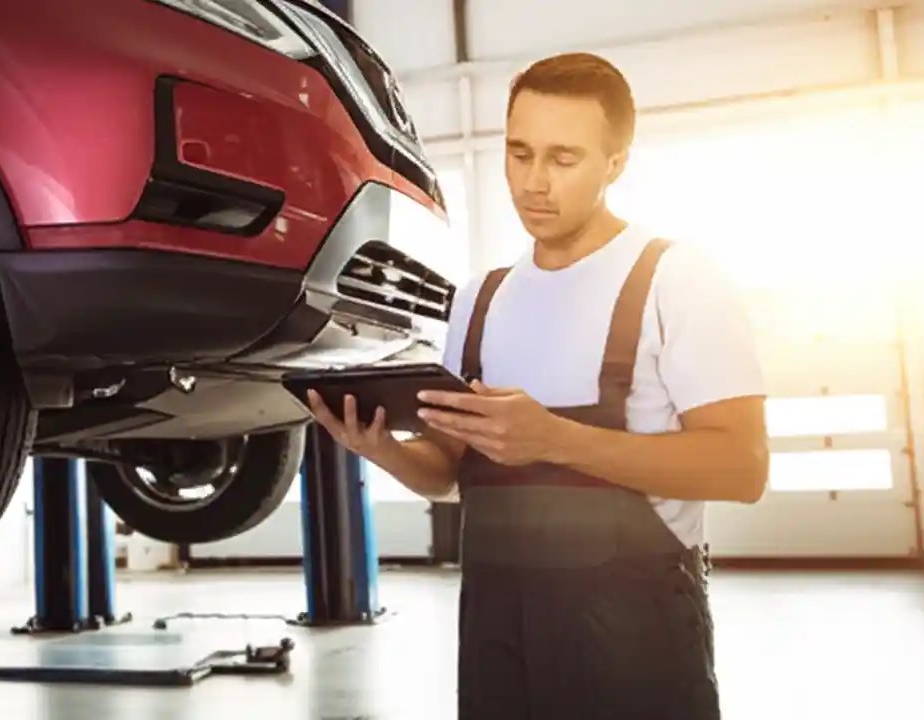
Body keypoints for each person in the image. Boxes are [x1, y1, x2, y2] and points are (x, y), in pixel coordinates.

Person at [306, 51, 769, 719]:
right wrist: (383, 449)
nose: (533, 182)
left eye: (563, 158)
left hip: (634, 641)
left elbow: (741, 467)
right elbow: (448, 472)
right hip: (498, 636)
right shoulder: (479, 300)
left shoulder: (676, 279)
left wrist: (555, 438)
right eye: (519, 153)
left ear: (617, 163)